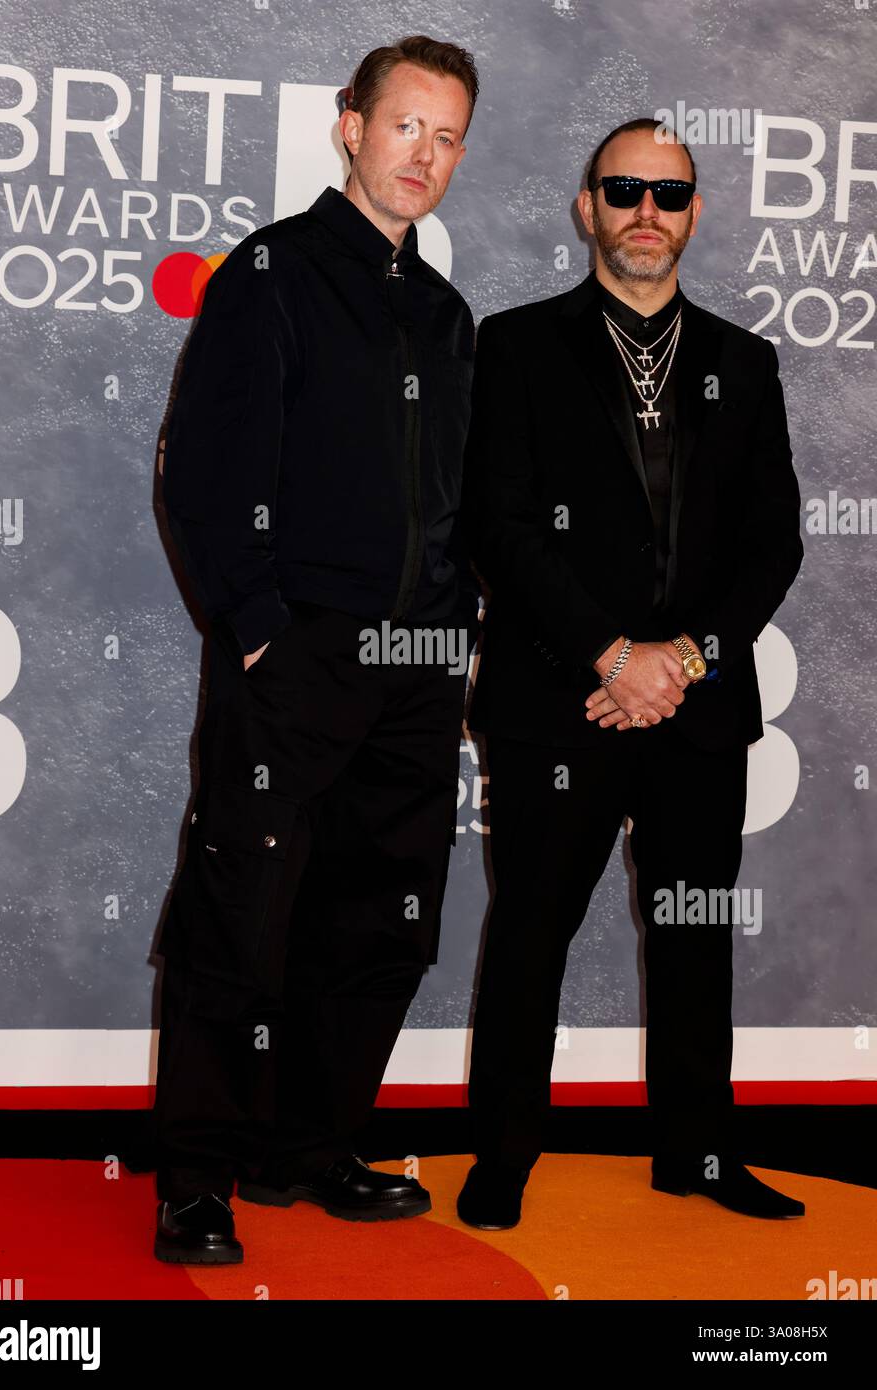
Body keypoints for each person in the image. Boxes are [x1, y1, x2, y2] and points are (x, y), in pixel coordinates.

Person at [153, 35, 480, 1263]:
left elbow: (451, 502)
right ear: (351, 126)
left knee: (378, 921)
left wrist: (453, 647)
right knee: (243, 909)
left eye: (447, 137)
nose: (425, 155)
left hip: (415, 673)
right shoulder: (273, 273)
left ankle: (310, 1144)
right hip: (294, 661)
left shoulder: (447, 318)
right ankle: (195, 1176)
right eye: (406, 126)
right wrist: (255, 631)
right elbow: (200, 465)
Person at [457, 118, 805, 1229]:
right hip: (559, 696)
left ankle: (697, 1154)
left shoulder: (745, 365)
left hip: (698, 708)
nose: (644, 212)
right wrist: (613, 656)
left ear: (693, 213)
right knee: (529, 932)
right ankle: (504, 1152)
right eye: (622, 190)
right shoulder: (513, 347)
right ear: (585, 208)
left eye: (667, 193)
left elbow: (773, 543)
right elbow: (498, 527)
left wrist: (686, 661)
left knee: (695, 929)